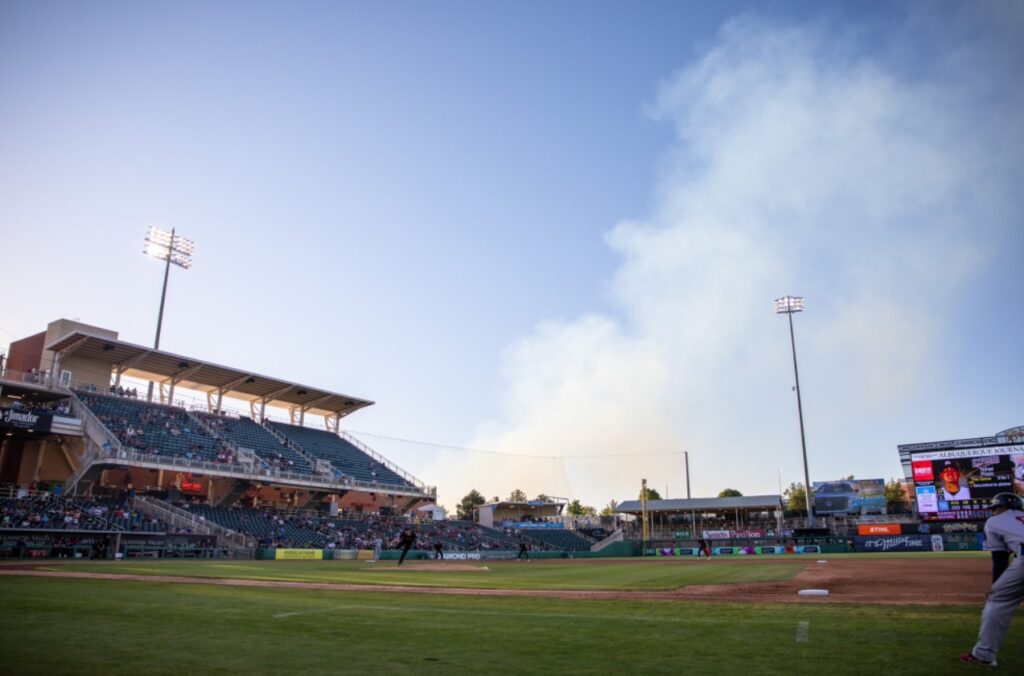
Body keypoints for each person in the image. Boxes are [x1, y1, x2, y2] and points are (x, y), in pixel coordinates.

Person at [960, 492, 1024, 667]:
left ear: (1003, 507)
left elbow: (1000, 558)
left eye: (995, 508)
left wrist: (996, 585)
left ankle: (984, 655)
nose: (993, 512)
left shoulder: (994, 522)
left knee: (998, 600)